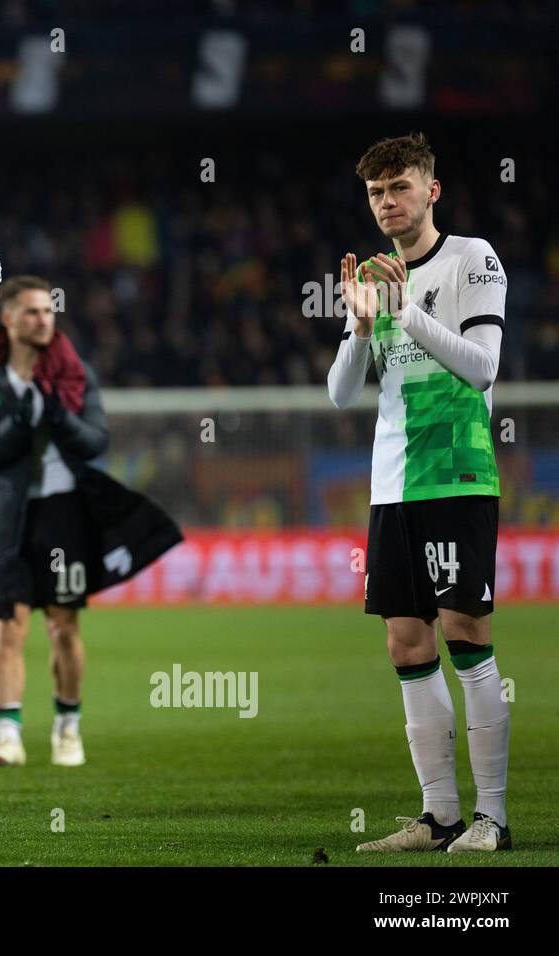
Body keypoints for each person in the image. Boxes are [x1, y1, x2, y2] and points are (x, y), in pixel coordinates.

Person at [328, 133, 511, 853]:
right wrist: (363, 323)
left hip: (457, 475)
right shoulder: (374, 277)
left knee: (466, 634)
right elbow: (343, 394)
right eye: (376, 193)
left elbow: (483, 369)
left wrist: (405, 312)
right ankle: (439, 817)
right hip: (392, 484)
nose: (387, 203)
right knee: (407, 643)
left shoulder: (474, 259)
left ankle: (491, 817)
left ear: (431, 191)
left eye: (399, 188)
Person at [0, 275, 183, 769]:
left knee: (63, 625)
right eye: (31, 311)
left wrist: (57, 418)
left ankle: (67, 729)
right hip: (5, 515)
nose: (43, 319)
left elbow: (96, 442)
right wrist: (21, 424)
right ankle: (9, 735)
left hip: (62, 513)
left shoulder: (72, 374)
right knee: (7, 628)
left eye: (49, 311)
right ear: (7, 318)